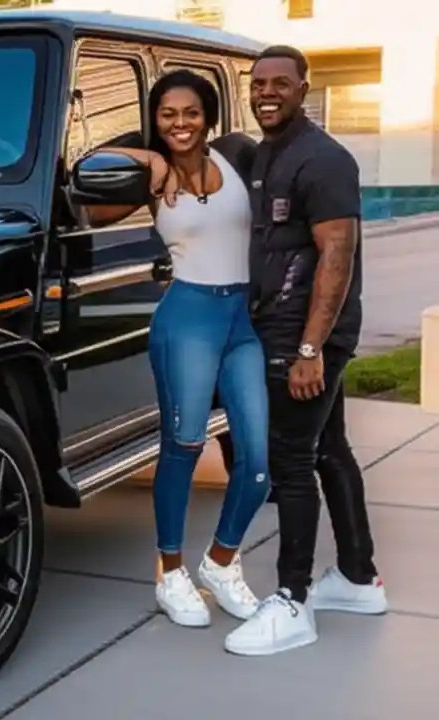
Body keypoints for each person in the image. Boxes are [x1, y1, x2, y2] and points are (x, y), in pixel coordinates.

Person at [84, 69, 270, 628]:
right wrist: (149, 160)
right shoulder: (148, 176)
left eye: (190, 113)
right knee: (184, 445)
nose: (180, 124)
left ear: (208, 116)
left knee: (257, 461)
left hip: (243, 320)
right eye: (167, 115)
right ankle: (169, 572)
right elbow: (83, 192)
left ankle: (219, 561)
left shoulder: (238, 156)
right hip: (187, 318)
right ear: (155, 121)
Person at [224, 45, 388, 657]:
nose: (267, 92)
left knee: (289, 460)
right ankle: (356, 575)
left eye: (280, 84)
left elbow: (337, 258)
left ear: (303, 87)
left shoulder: (323, 160)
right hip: (292, 331)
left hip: (306, 338)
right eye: (258, 83)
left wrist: (310, 348)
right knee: (329, 449)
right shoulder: (268, 151)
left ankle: (291, 601)